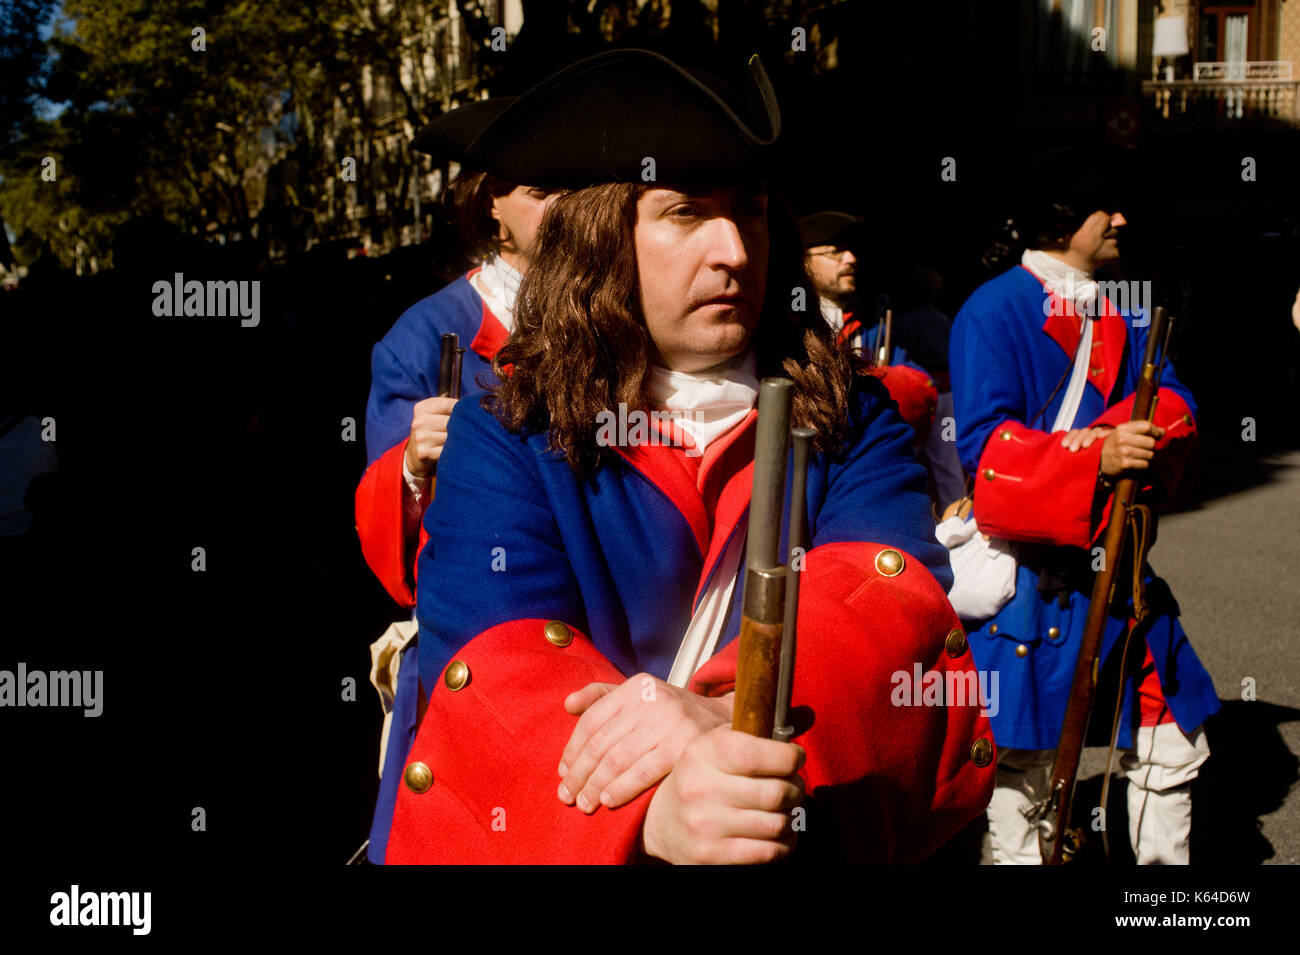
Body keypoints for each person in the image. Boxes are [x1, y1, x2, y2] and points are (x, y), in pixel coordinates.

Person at [382, 49, 994, 865]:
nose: (736, 251)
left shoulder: (851, 410)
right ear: (605, 233)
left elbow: (887, 607)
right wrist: (650, 814)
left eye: (748, 210)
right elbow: (497, 663)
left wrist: (723, 710)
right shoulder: (507, 426)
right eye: (684, 213)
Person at [949, 146, 1220, 865]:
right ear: (1064, 218)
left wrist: (1149, 425)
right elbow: (984, 452)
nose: (1123, 219)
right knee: (1024, 770)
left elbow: (1175, 401)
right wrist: (1097, 450)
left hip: (1121, 575)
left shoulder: (1123, 310)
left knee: (1172, 738)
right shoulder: (993, 309)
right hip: (1034, 584)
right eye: (1109, 206)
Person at [354, 97, 564, 863]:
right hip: (473, 650)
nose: (566, 207)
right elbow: (386, 532)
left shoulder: (614, 312)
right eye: (542, 192)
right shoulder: (423, 331)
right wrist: (411, 462)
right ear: (493, 209)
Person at [798, 211, 937, 446]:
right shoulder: (791, 325)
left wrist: (880, 383)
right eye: (835, 251)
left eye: (850, 250)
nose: (851, 259)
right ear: (804, 262)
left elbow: (922, 387)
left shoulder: (871, 327)